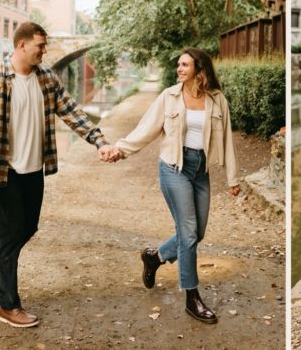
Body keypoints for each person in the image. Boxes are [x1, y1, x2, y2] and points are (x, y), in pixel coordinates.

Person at [0, 22, 113, 328]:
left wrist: (98, 140)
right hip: (3, 170)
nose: (45, 51)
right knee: (10, 232)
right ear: (21, 45)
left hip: (35, 169)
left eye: (45, 46)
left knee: (27, 228)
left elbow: (71, 111)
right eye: (40, 46)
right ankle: (9, 305)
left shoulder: (46, 78)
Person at [101, 47, 240, 324]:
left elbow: (226, 141)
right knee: (188, 234)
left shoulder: (217, 99)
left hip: (200, 171)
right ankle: (192, 297)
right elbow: (146, 129)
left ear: (200, 69)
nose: (179, 69)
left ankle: (155, 257)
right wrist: (120, 149)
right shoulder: (169, 97)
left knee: (197, 233)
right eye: (178, 65)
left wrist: (232, 178)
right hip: (173, 168)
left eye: (185, 65)